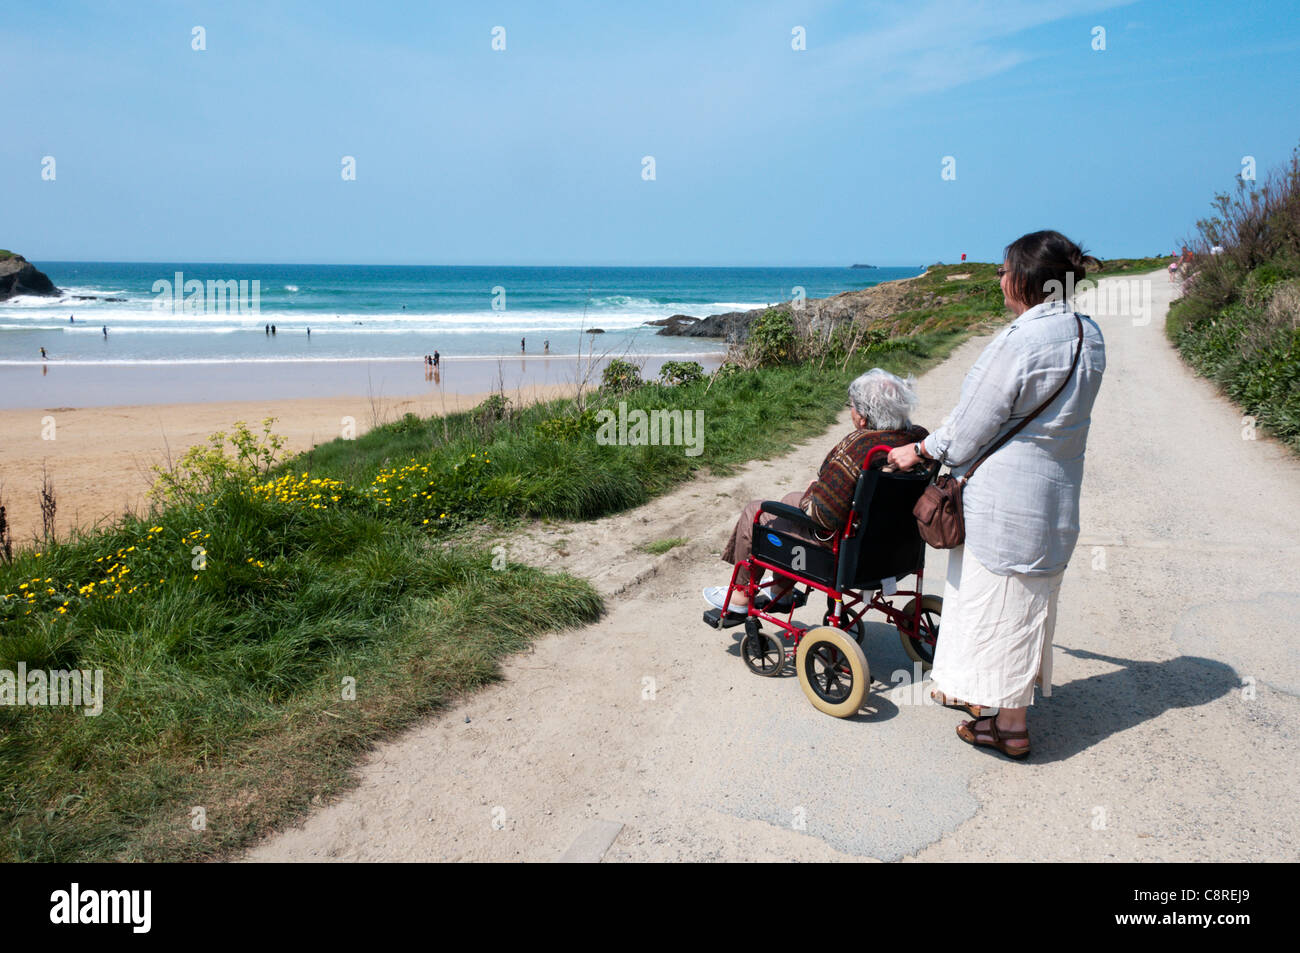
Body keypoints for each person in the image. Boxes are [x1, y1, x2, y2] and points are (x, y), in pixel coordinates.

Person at [887, 230, 1106, 759]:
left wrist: (918, 452)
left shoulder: (1020, 340)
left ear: (1028, 280)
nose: (1000, 279)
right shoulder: (1088, 333)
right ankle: (995, 705)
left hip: (1004, 503)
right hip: (1055, 497)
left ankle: (1009, 727)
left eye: (1006, 269)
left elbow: (971, 426)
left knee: (997, 609)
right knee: (1029, 607)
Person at [704, 368, 927, 615]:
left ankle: (740, 595)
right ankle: (781, 590)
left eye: (851, 405)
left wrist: (813, 489)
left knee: (756, 511)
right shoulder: (916, 442)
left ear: (863, 417)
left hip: (847, 553)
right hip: (892, 552)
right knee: (790, 499)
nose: (850, 411)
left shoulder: (859, 449)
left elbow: (824, 515)